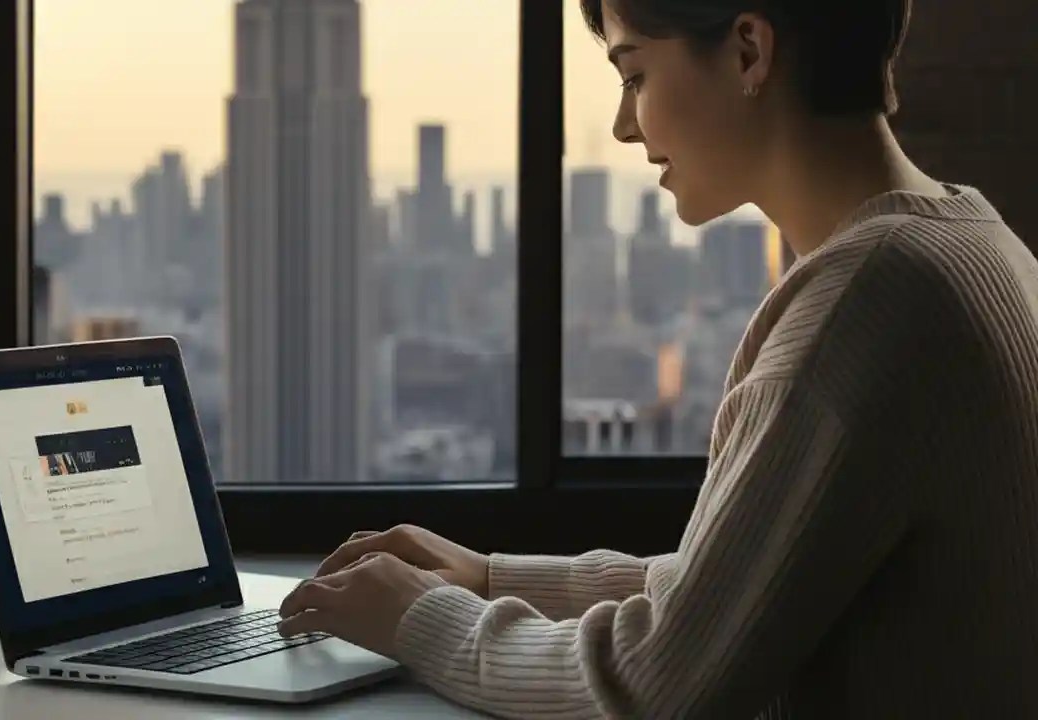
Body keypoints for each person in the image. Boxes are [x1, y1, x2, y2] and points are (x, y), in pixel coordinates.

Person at [278, 0, 1038, 716]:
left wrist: (418, 619)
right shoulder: (973, 241)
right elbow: (731, 592)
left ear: (749, 51)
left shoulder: (865, 307)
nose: (620, 126)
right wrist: (491, 577)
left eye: (633, 74)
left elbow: (654, 685)